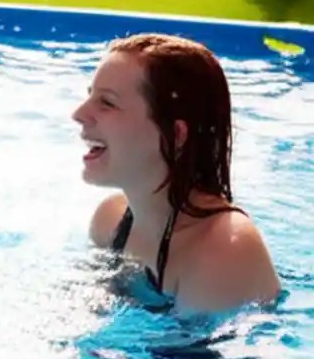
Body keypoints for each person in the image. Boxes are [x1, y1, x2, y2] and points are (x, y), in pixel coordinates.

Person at [72, 32, 281, 315]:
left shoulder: (223, 252)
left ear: (174, 134)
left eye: (107, 103)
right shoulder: (109, 221)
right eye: (90, 97)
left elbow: (200, 358)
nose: (79, 113)